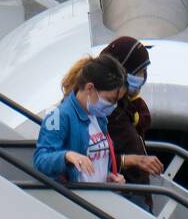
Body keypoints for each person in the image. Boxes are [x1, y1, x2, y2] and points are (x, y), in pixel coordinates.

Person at [34, 55, 127, 184]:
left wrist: (108, 176)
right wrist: (67, 156)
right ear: (90, 88)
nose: (113, 106)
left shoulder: (98, 115)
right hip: (78, 199)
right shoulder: (56, 115)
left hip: (101, 195)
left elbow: (95, 163)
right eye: (109, 100)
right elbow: (41, 159)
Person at [99, 36, 164, 209]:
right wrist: (134, 160)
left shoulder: (127, 108)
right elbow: (94, 157)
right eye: (138, 73)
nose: (143, 78)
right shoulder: (108, 112)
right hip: (127, 196)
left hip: (135, 193)